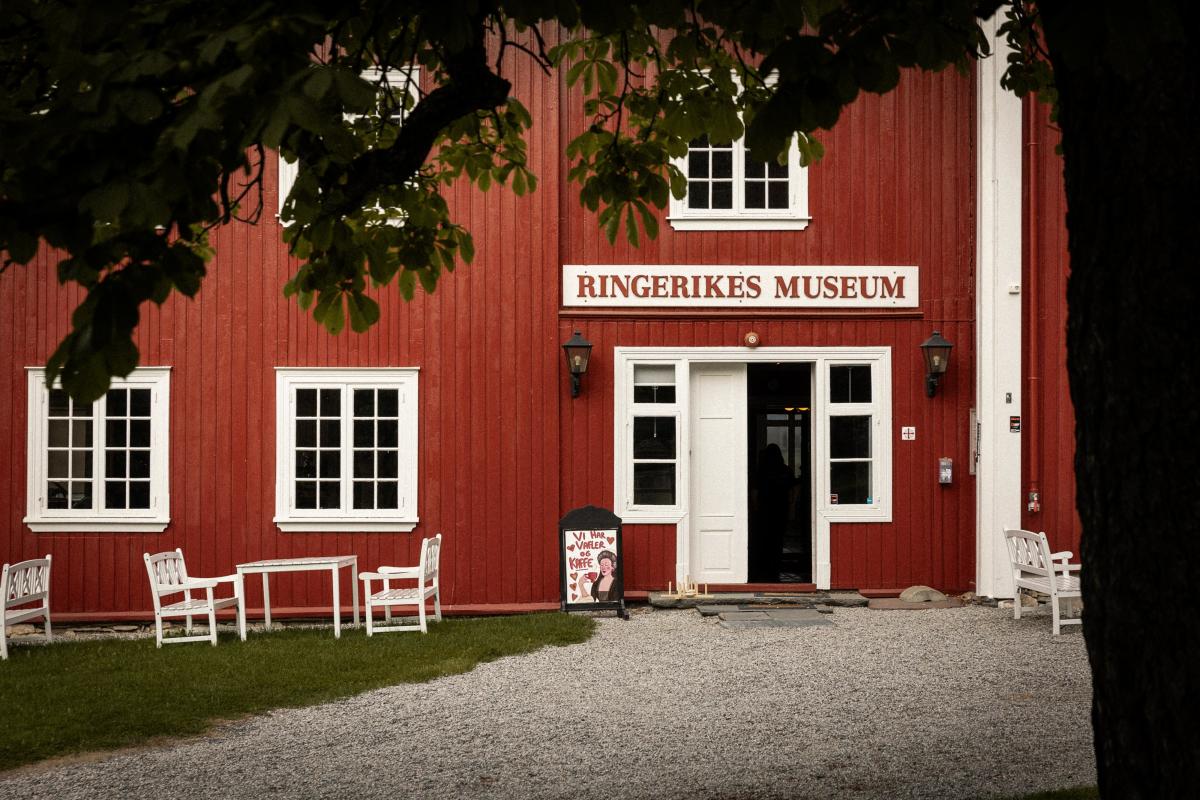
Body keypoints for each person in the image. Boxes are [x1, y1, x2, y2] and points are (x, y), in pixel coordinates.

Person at [750, 444, 797, 582]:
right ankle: (775, 567)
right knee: (778, 539)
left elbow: (754, 492)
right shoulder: (786, 470)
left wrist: (755, 508)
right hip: (780, 508)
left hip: (764, 510)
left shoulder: (761, 471)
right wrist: (792, 507)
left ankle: (764, 568)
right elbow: (793, 491)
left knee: (764, 539)